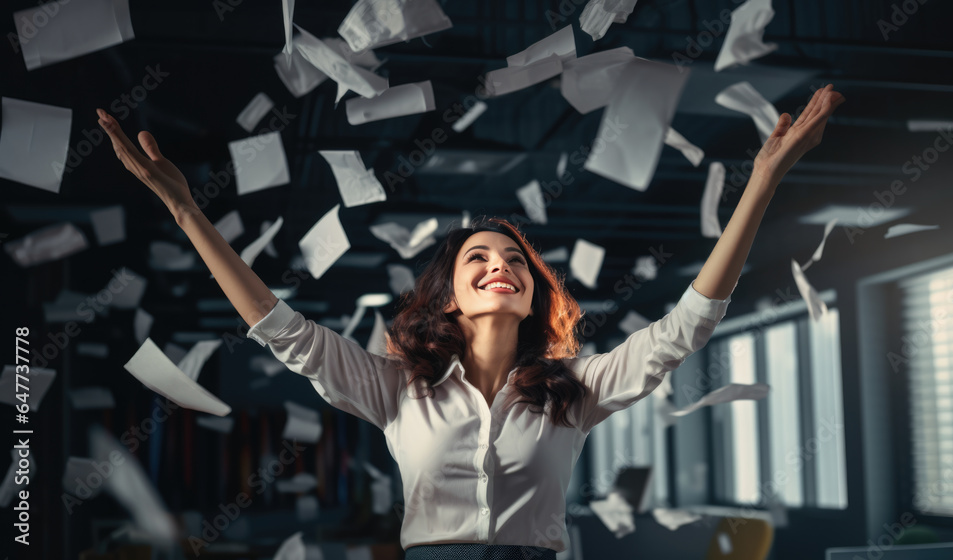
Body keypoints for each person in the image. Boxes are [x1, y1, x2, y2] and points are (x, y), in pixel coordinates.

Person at [97, 84, 845, 560]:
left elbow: (688, 324)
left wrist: (763, 183)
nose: (501, 264)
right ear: (451, 295)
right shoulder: (395, 390)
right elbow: (279, 328)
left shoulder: (575, 390)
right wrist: (186, 210)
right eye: (478, 257)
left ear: (531, 291)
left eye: (515, 258)